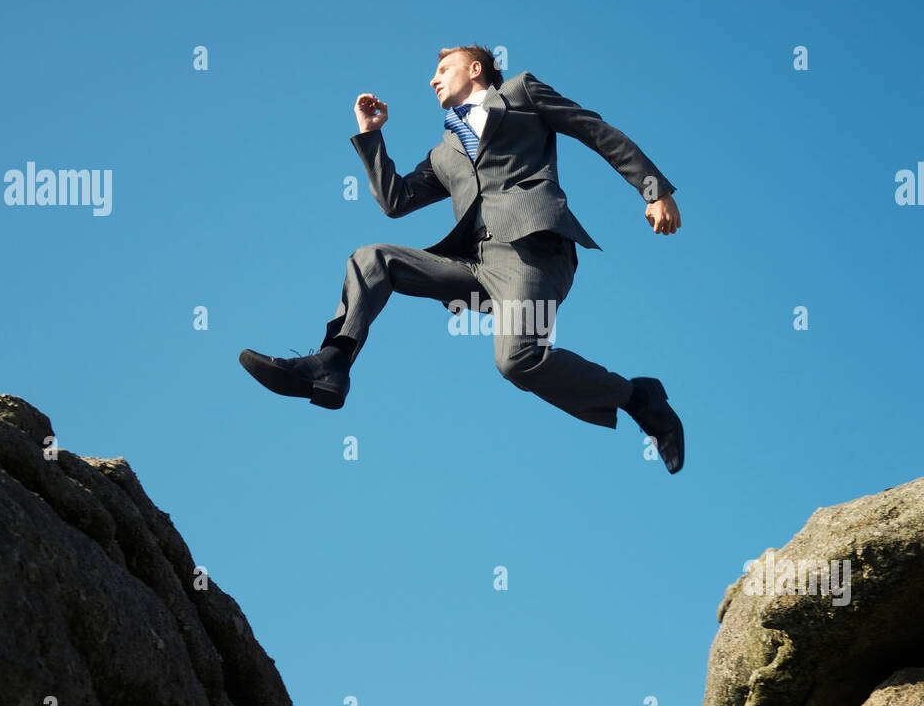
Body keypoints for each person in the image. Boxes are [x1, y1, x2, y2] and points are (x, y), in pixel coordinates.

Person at [239, 44, 684, 473]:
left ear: (475, 69)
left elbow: (595, 130)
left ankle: (636, 397)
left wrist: (653, 189)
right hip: (476, 266)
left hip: (532, 251)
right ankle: (331, 364)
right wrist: (372, 135)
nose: (432, 80)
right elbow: (396, 200)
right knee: (371, 259)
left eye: (443, 69)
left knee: (517, 360)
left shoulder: (521, 93)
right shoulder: (444, 152)